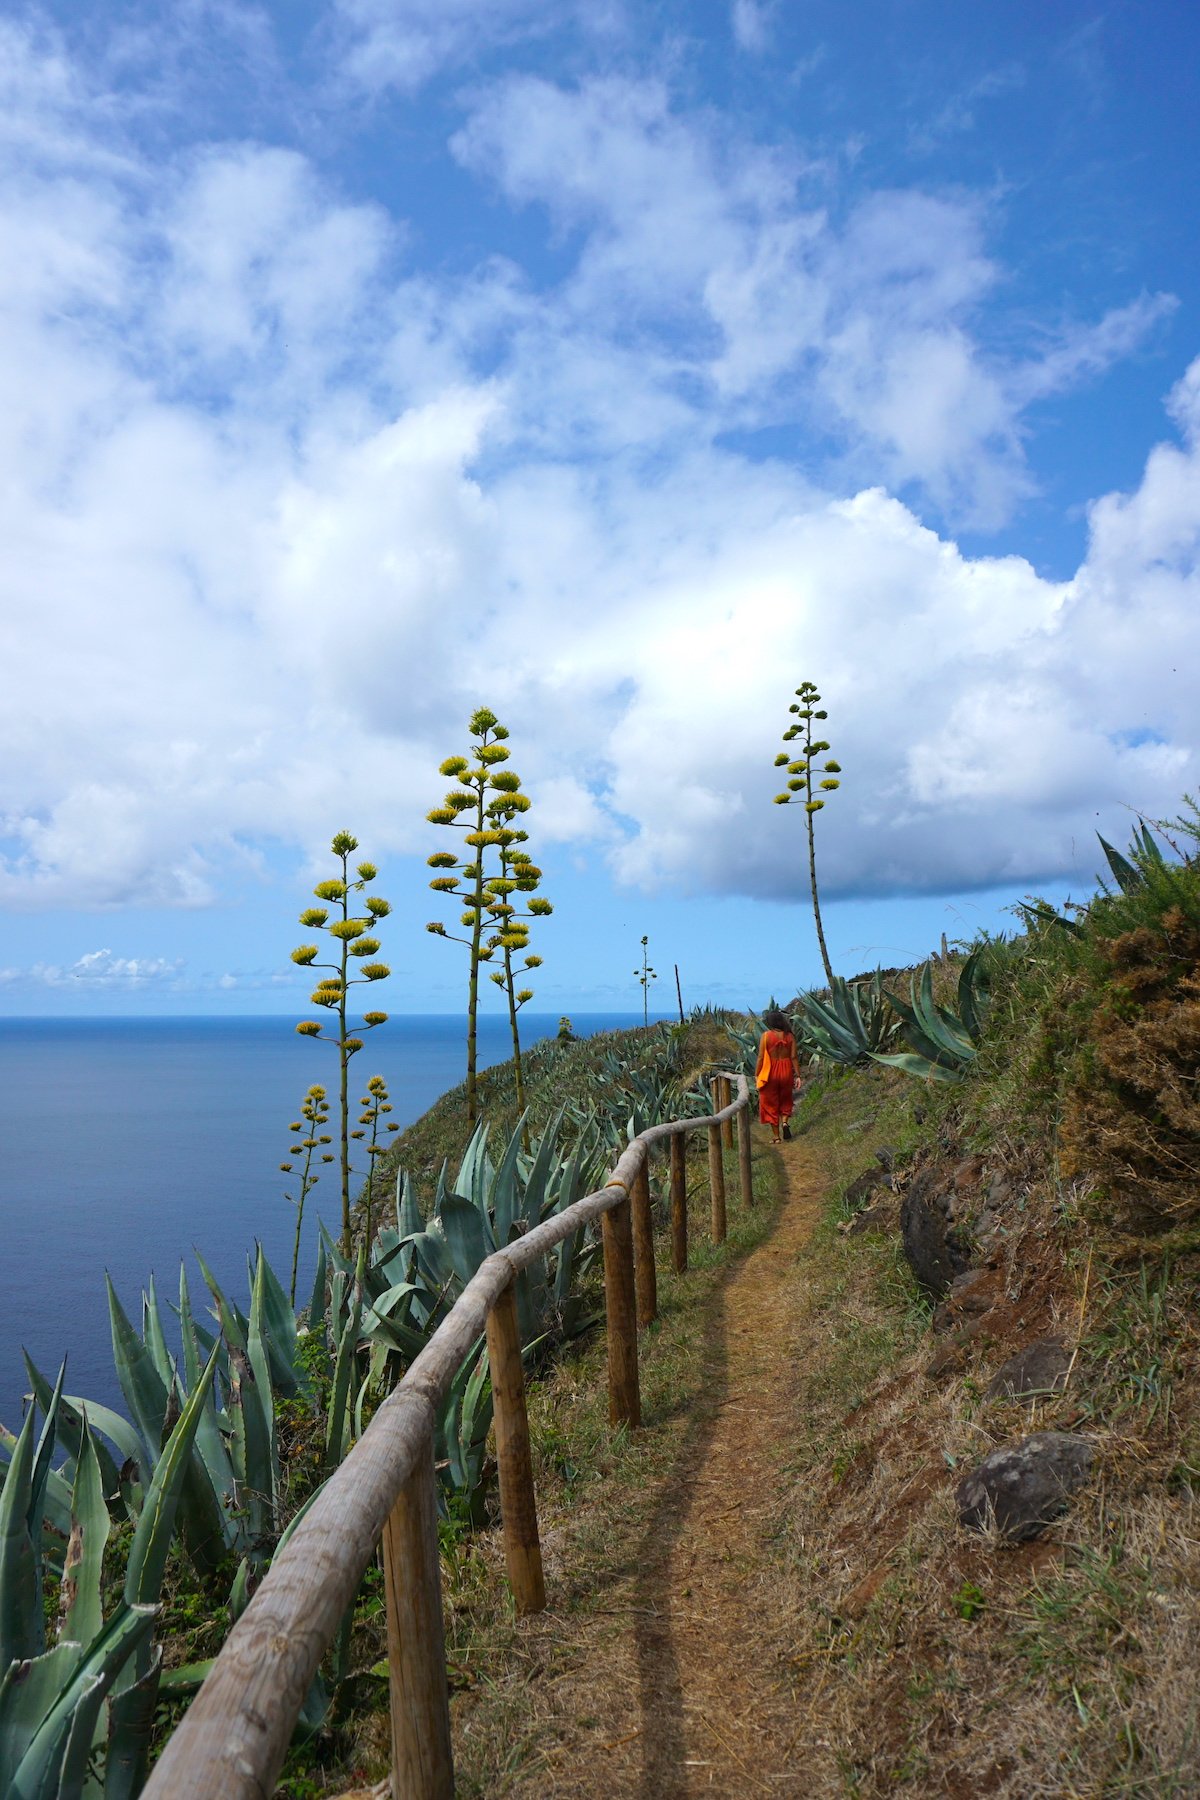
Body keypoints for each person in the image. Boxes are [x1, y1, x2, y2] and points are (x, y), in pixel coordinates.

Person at [755, 1008, 797, 1144]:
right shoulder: (790, 1036)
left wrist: (757, 1074)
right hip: (786, 1071)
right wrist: (798, 1075)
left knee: (769, 1103)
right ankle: (785, 1123)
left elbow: (761, 1057)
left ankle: (776, 1137)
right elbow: (794, 1057)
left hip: (770, 1072)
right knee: (786, 1099)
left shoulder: (766, 1036)